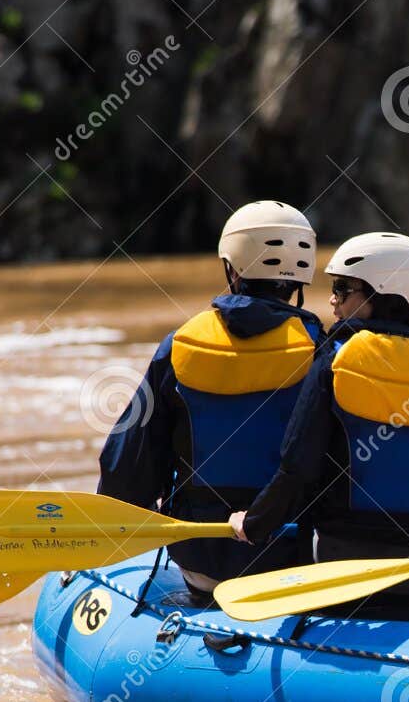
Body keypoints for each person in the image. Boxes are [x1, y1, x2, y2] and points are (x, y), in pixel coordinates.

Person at [230, 233, 409, 606]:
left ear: (383, 294)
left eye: (343, 288)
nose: (332, 299)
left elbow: (298, 468)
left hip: (345, 572)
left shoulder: (336, 358)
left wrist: (253, 524)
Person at [98, 200, 324, 595]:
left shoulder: (180, 346)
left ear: (231, 268)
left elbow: (127, 466)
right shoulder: (326, 352)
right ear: (301, 276)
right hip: (296, 561)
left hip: (202, 561)